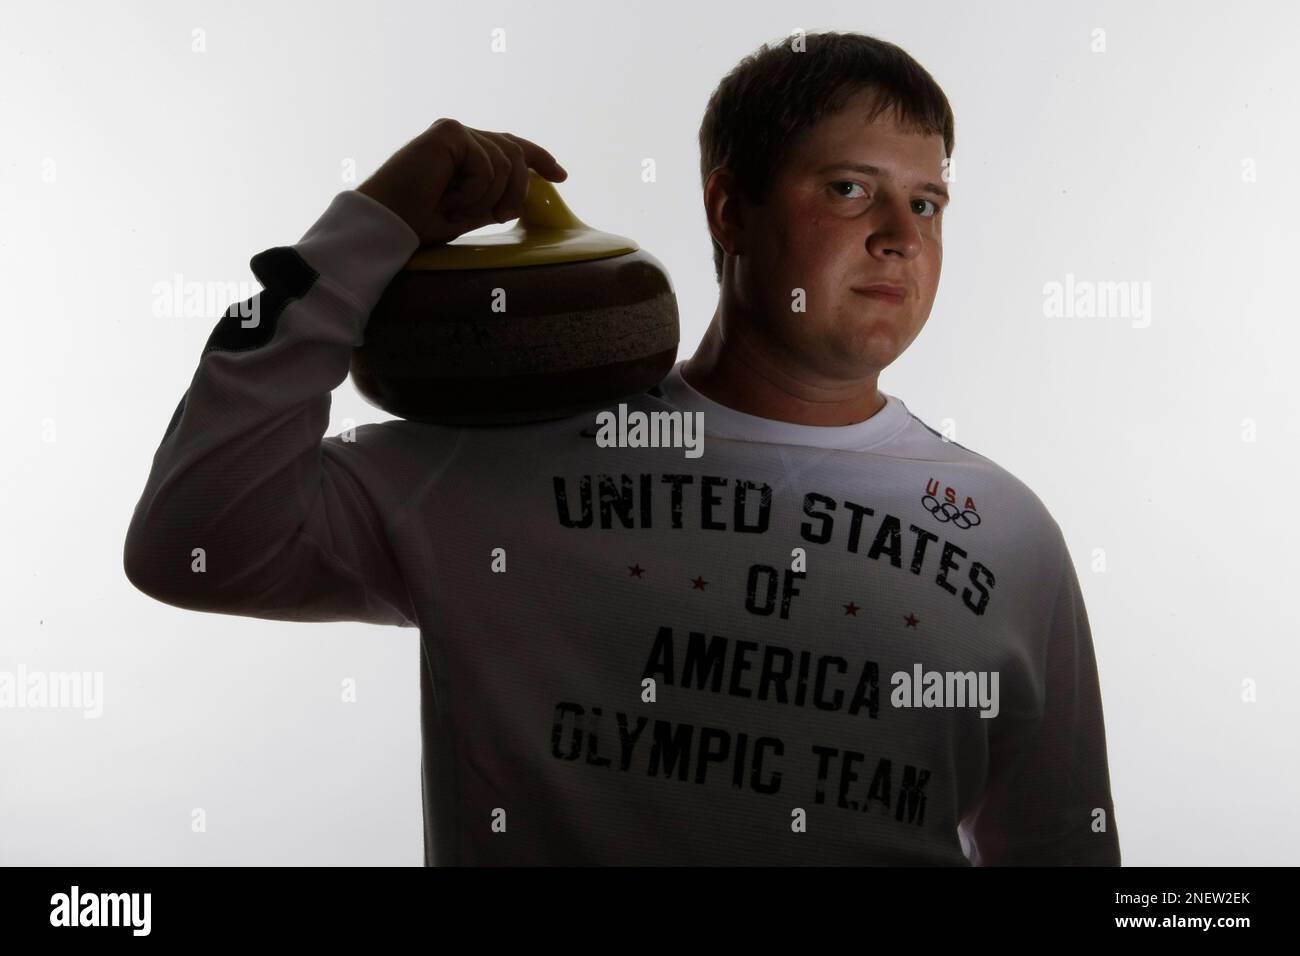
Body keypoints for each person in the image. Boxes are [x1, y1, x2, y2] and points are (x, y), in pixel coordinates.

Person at [124, 31, 1120, 866]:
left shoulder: (1007, 533)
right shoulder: (501, 460)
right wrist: (369, 230)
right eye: (852, 188)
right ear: (731, 209)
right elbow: (194, 537)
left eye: (928, 201)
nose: (902, 234)